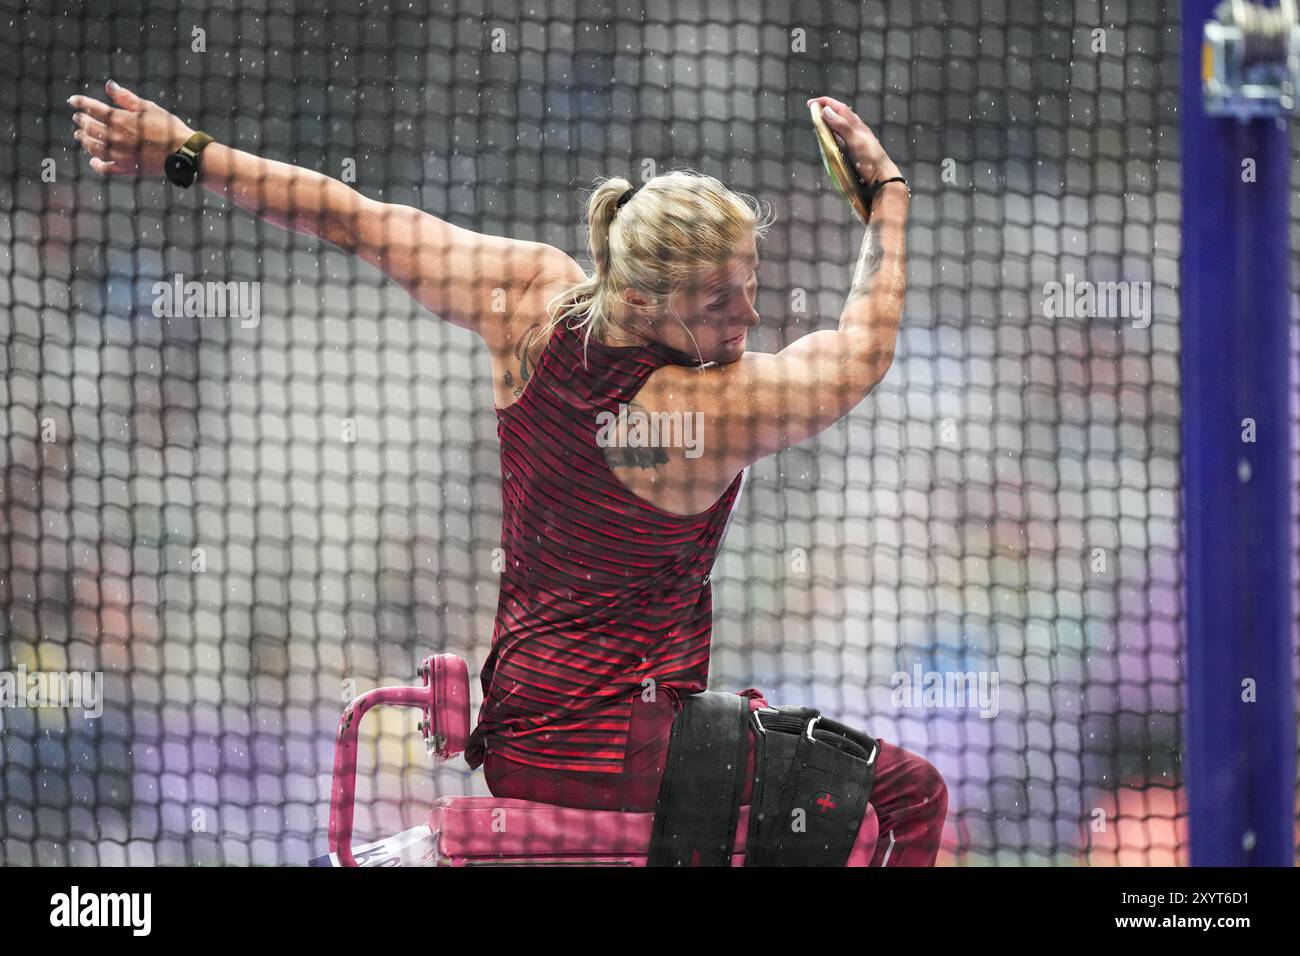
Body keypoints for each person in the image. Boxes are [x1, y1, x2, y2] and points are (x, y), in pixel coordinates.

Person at [70, 81, 947, 865]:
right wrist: (890, 202)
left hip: (520, 730)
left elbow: (354, 217)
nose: (750, 315)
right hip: (624, 750)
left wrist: (186, 152)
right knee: (910, 799)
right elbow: (861, 352)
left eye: (751, 285)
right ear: (642, 299)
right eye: (721, 300)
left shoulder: (531, 304)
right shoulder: (710, 415)